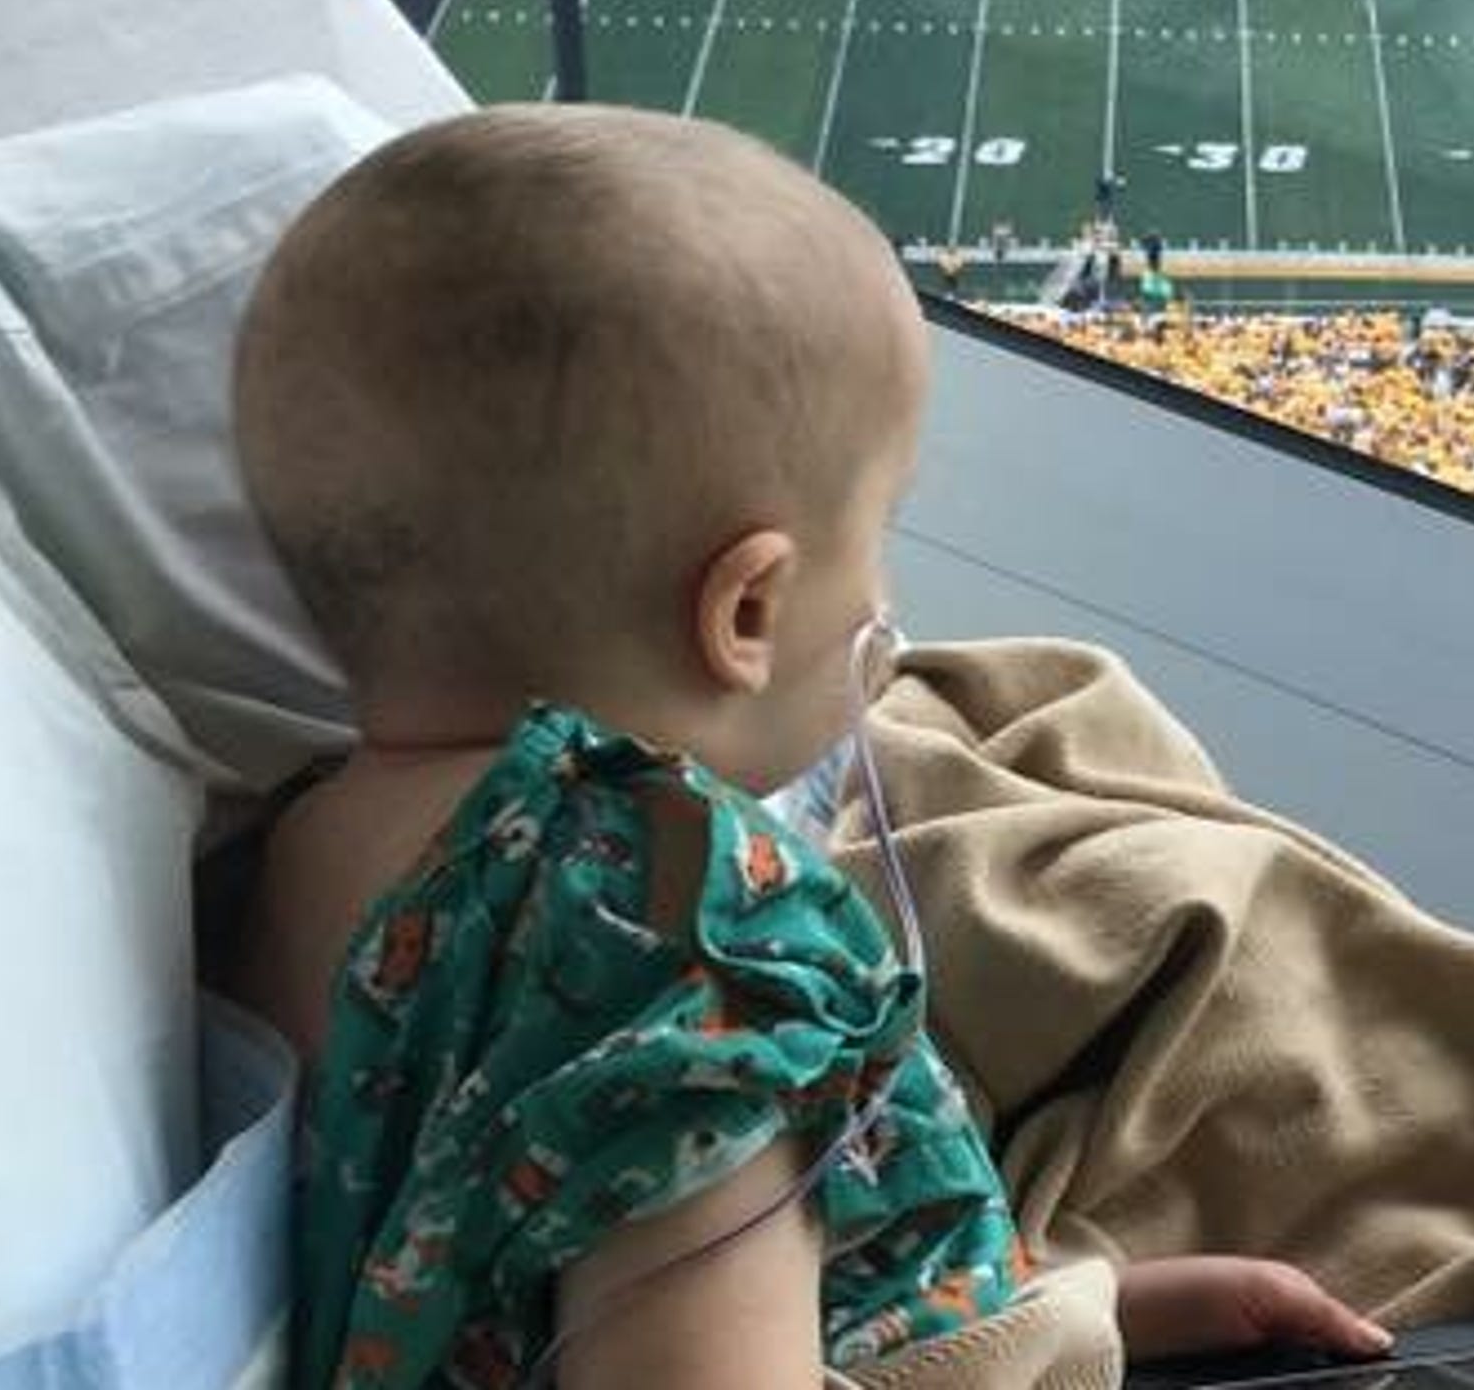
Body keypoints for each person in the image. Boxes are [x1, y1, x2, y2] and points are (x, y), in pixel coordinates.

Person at [227, 106, 1388, 1389]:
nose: (887, 590)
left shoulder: (299, 850)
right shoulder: (687, 933)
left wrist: (1084, 1312)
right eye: (879, 526)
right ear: (747, 612)